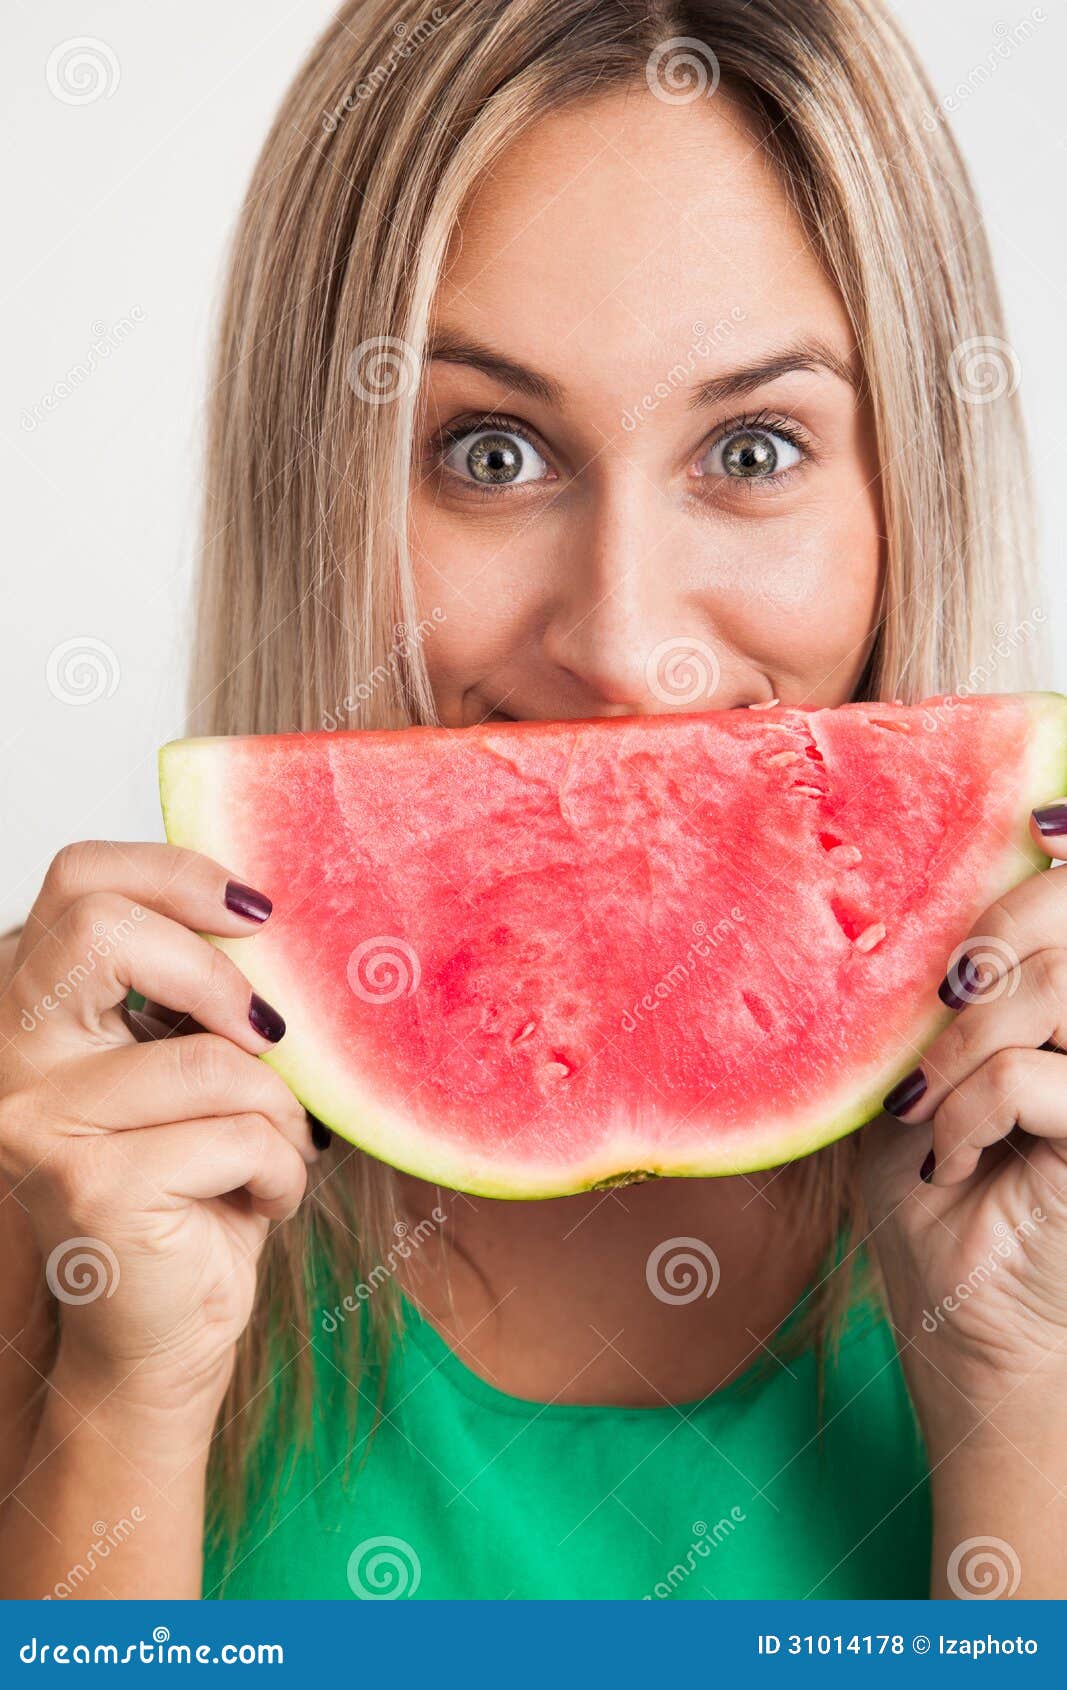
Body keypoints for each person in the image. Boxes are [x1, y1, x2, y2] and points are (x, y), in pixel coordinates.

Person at [1, 0, 1064, 1600]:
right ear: (323, 487)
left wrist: (1023, 1400)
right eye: (490, 452)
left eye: (756, 446)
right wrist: (120, 1396)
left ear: (908, 481)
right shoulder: (54, 1157)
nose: (629, 646)